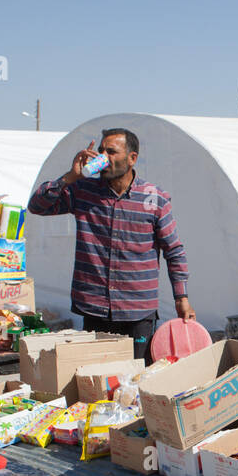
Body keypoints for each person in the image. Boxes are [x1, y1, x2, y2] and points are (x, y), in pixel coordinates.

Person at [28, 128, 193, 360]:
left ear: (132, 158)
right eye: (101, 151)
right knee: (96, 382)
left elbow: (174, 251)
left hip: (138, 311)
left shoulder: (154, 199)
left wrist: (181, 298)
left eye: (112, 152)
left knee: (137, 381)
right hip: (94, 309)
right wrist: (70, 177)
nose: (103, 157)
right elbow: (36, 206)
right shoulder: (83, 192)